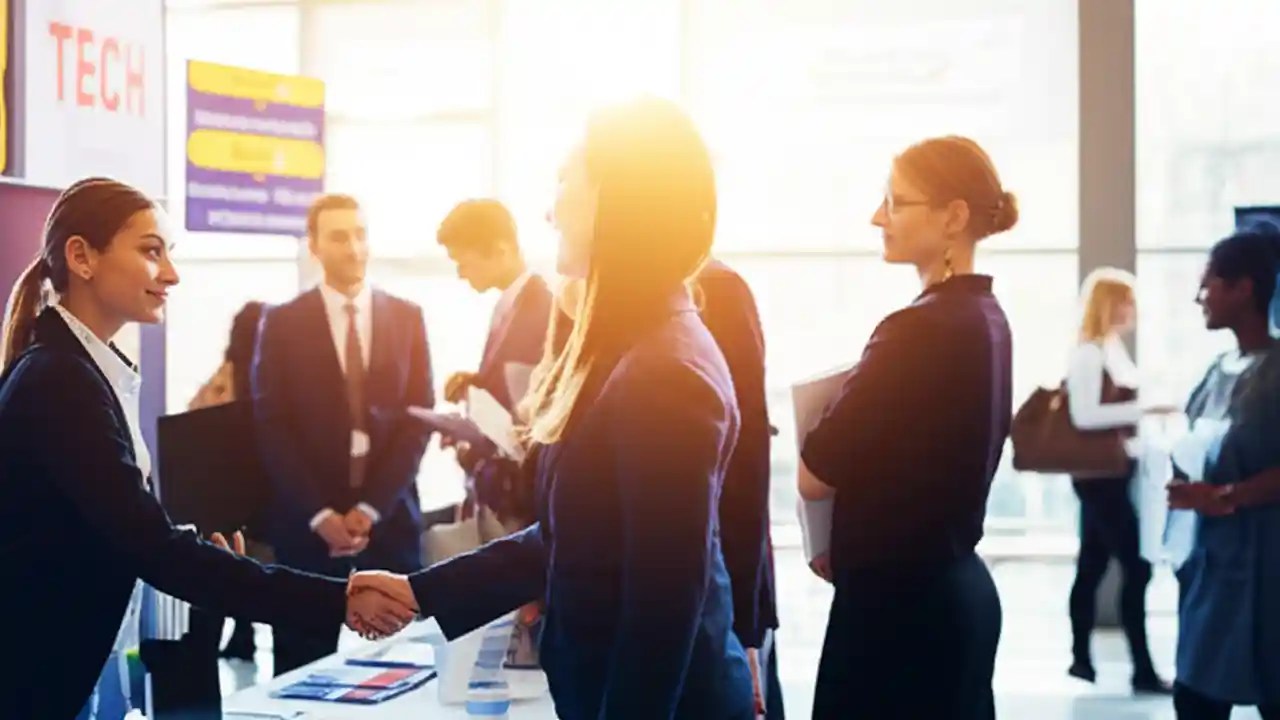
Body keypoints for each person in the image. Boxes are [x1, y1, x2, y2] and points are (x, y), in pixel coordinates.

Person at [348, 96, 755, 720]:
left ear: (620, 200)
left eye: (566, 183)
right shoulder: (632, 351)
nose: (551, 209)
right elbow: (577, 534)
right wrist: (422, 592)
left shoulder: (666, 372)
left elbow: (662, 608)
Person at [0, 178, 414, 719]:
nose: (170, 274)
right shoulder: (60, 381)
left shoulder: (82, 372)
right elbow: (147, 546)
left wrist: (202, 564)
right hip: (45, 679)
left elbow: (109, 538)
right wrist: (335, 598)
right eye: (151, 251)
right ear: (82, 257)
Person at [797, 136, 1014, 719]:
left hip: (899, 612)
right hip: (955, 594)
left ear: (954, 217)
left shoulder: (914, 331)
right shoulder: (988, 319)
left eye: (895, 202)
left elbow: (815, 473)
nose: (878, 217)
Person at [251, 193, 435, 675]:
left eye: (360, 234)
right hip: (308, 529)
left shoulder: (408, 317)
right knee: (299, 670)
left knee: (405, 669)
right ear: (314, 246)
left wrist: (370, 508)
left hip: (389, 522)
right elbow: (272, 426)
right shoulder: (282, 322)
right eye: (338, 236)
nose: (354, 247)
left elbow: (418, 420)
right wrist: (321, 514)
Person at [1165, 231, 1280, 719]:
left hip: (1268, 566)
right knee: (1195, 694)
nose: (1199, 297)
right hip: (1213, 566)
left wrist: (1227, 495)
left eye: (1208, 283)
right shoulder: (1217, 370)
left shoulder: (1275, 373)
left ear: (1243, 289)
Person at [1064, 268, 1171, 693]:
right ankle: (1140, 671)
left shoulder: (1108, 348)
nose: (1133, 311)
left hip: (1109, 473)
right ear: (1111, 304)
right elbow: (1084, 416)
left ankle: (1082, 660)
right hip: (1098, 478)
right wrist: (1145, 411)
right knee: (1136, 567)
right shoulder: (1089, 353)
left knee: (1091, 565)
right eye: (1127, 301)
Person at [696, 259, 783, 718]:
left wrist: (745, 626)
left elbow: (746, 464)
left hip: (724, 599)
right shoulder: (596, 303)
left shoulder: (717, 292)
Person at [188, 299, 269, 662]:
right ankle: (245, 630)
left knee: (229, 554)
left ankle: (241, 631)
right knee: (249, 554)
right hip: (261, 480)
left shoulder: (228, 371)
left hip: (225, 478)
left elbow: (195, 412)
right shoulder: (269, 372)